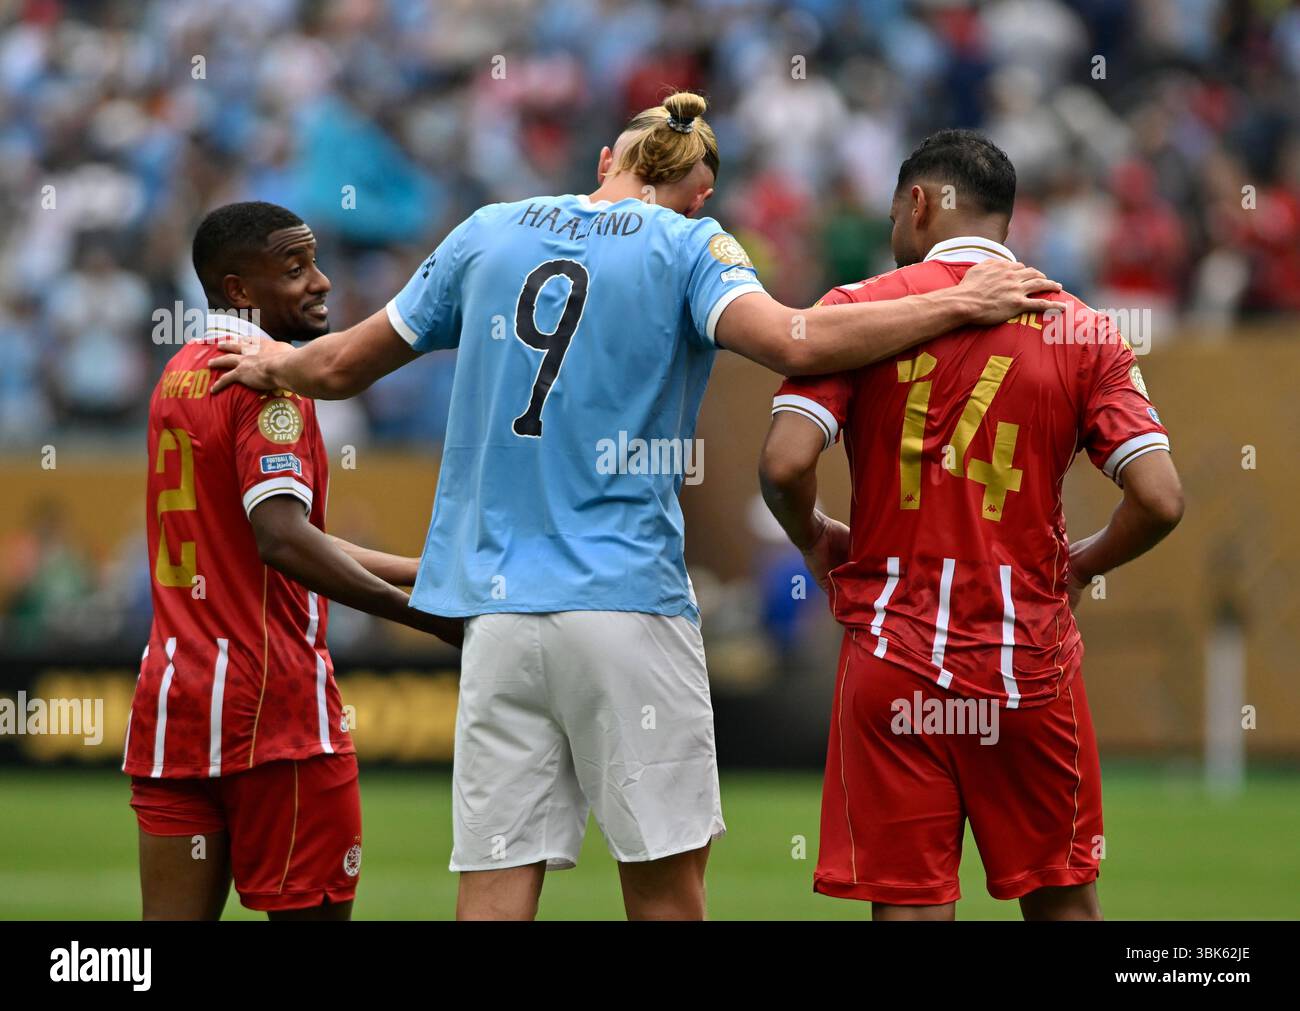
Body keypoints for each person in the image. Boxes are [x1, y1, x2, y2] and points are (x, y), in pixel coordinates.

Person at [210, 94, 1060, 921]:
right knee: (663, 893)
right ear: (700, 193)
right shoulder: (691, 244)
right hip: (625, 603)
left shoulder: (489, 229)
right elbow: (794, 341)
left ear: (606, 161)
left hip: (497, 619)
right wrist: (957, 300)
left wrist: (271, 365)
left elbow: (338, 368)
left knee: (494, 893)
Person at [758, 129, 1184, 921]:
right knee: (1063, 903)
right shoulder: (1082, 329)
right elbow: (1160, 498)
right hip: (1027, 660)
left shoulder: (851, 313)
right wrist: (1084, 564)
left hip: (894, 654)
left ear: (917, 205)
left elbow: (783, 466)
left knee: (912, 907)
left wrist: (818, 539)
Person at [125, 201, 461, 921]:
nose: (322, 282)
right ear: (240, 290)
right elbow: (281, 537)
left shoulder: (178, 375)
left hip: (176, 708)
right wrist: (427, 617)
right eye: (295, 268)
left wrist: (417, 567)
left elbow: (271, 534)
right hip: (274, 715)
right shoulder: (269, 380)